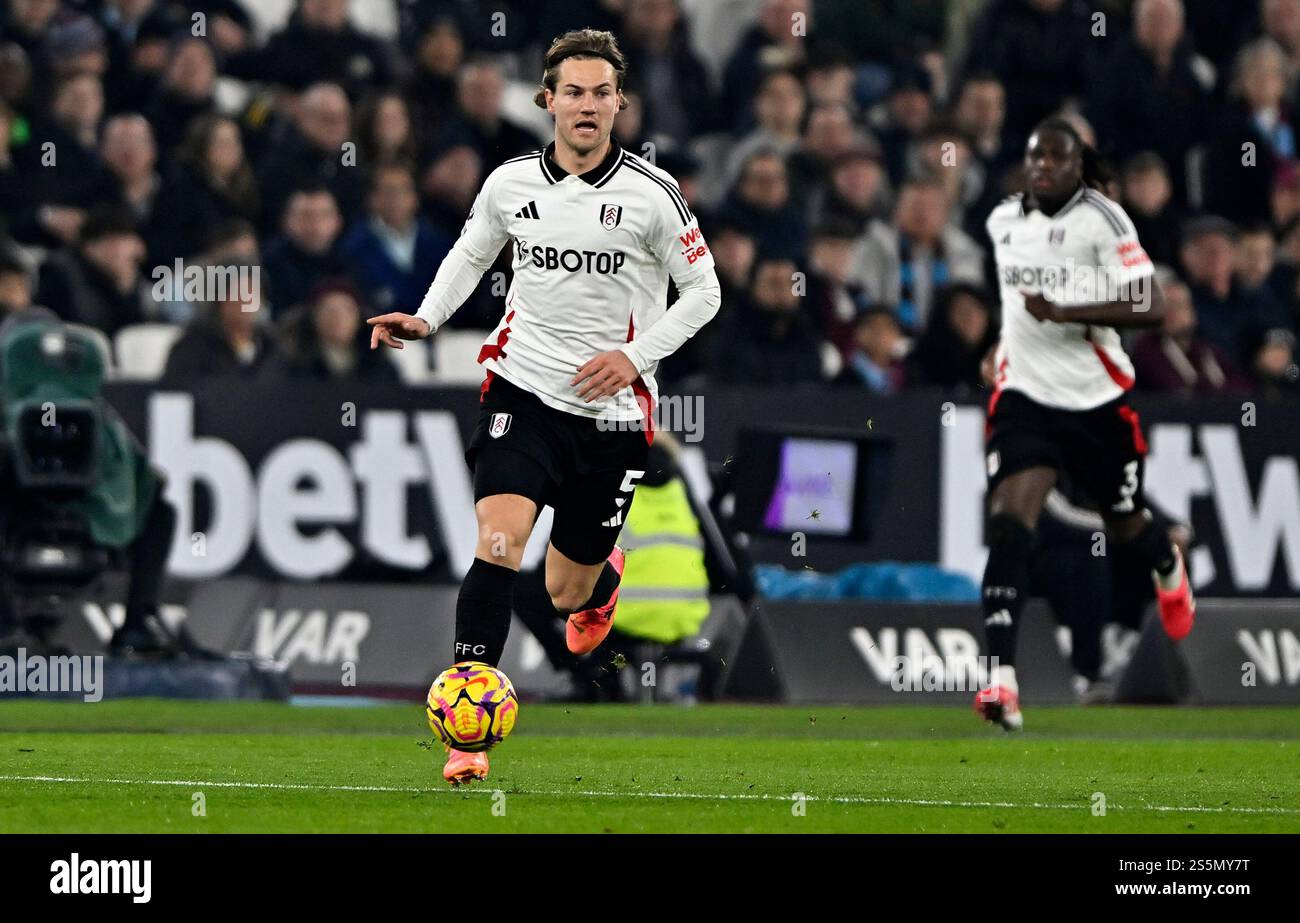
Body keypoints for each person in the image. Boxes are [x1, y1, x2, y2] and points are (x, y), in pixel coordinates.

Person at [367, 30, 720, 785]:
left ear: (619, 103)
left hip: (614, 413)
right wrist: (426, 318)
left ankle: (603, 580)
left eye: (601, 93)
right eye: (574, 91)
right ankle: (468, 736)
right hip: (521, 389)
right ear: (547, 100)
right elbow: (470, 254)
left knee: (567, 590)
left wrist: (635, 355)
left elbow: (706, 292)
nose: (587, 106)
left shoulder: (653, 197)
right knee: (497, 543)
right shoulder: (508, 184)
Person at [975, 117, 1196, 731]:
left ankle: (1166, 565)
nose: (1043, 166)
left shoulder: (1104, 220)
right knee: (1008, 525)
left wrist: (1067, 312)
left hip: (1098, 403)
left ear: (1078, 166)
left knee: (1127, 526)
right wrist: (1002, 347)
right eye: (1035, 157)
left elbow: (1150, 306)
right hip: (1026, 399)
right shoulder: (1002, 222)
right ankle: (1001, 683)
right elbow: (1013, 301)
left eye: (1057, 158)